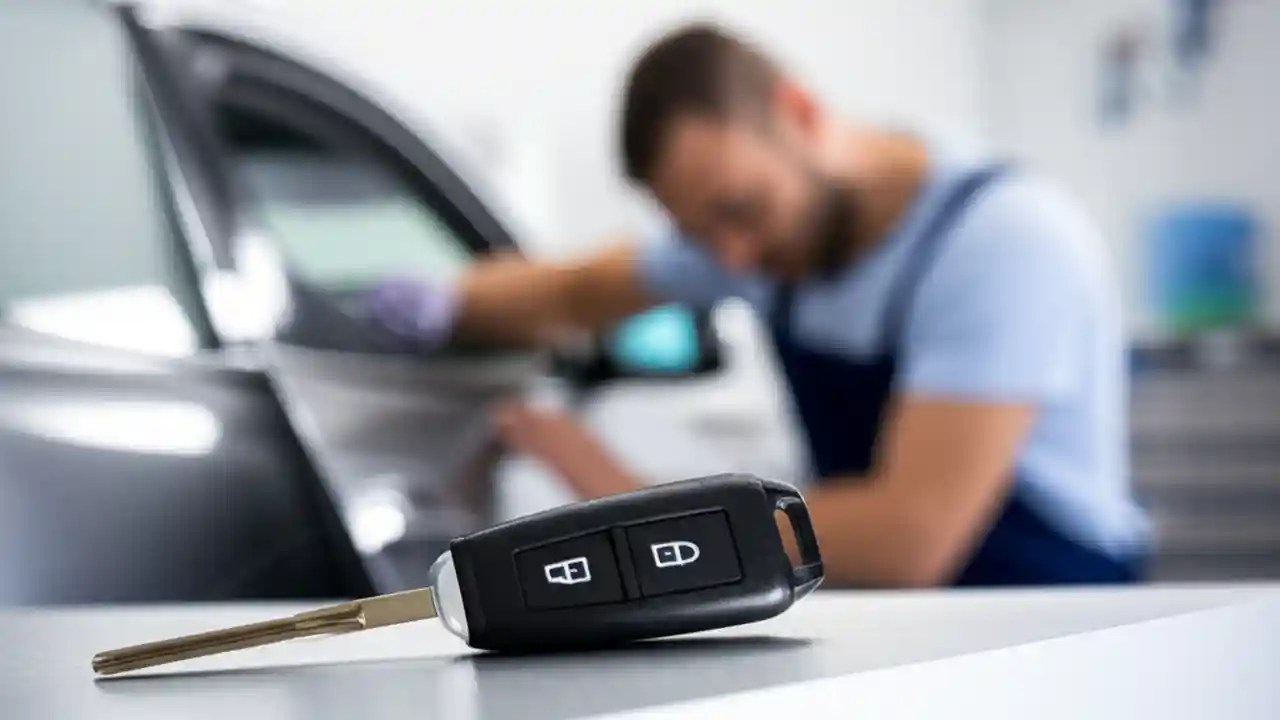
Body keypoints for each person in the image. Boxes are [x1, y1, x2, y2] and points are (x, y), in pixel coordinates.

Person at [369, 24, 1148, 586]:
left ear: (800, 115)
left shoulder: (1000, 240)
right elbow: (574, 292)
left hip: (1050, 608)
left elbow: (910, 535)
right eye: (698, 233)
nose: (731, 259)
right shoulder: (754, 234)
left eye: (740, 210)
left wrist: (623, 500)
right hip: (917, 618)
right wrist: (439, 302)